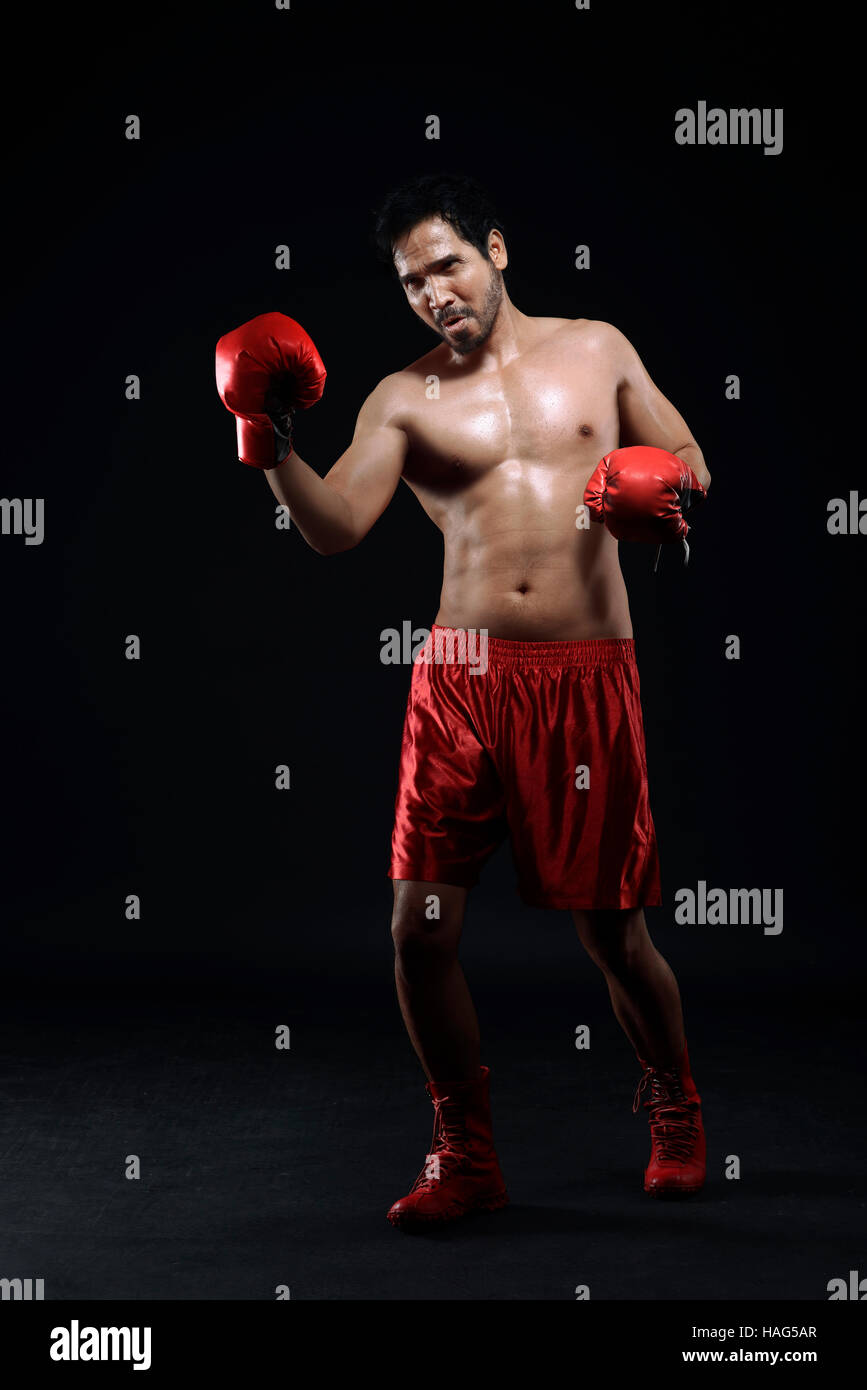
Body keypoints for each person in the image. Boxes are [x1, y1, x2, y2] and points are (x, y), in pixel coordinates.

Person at [215, 171, 711, 1232]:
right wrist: (267, 442)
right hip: (463, 681)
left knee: (614, 934)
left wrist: (665, 489)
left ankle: (675, 1105)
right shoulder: (402, 397)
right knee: (419, 930)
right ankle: (464, 1150)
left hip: (585, 679)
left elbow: (686, 454)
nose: (434, 292)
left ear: (493, 248)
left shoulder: (599, 346)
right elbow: (340, 525)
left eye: (446, 264)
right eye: (411, 283)